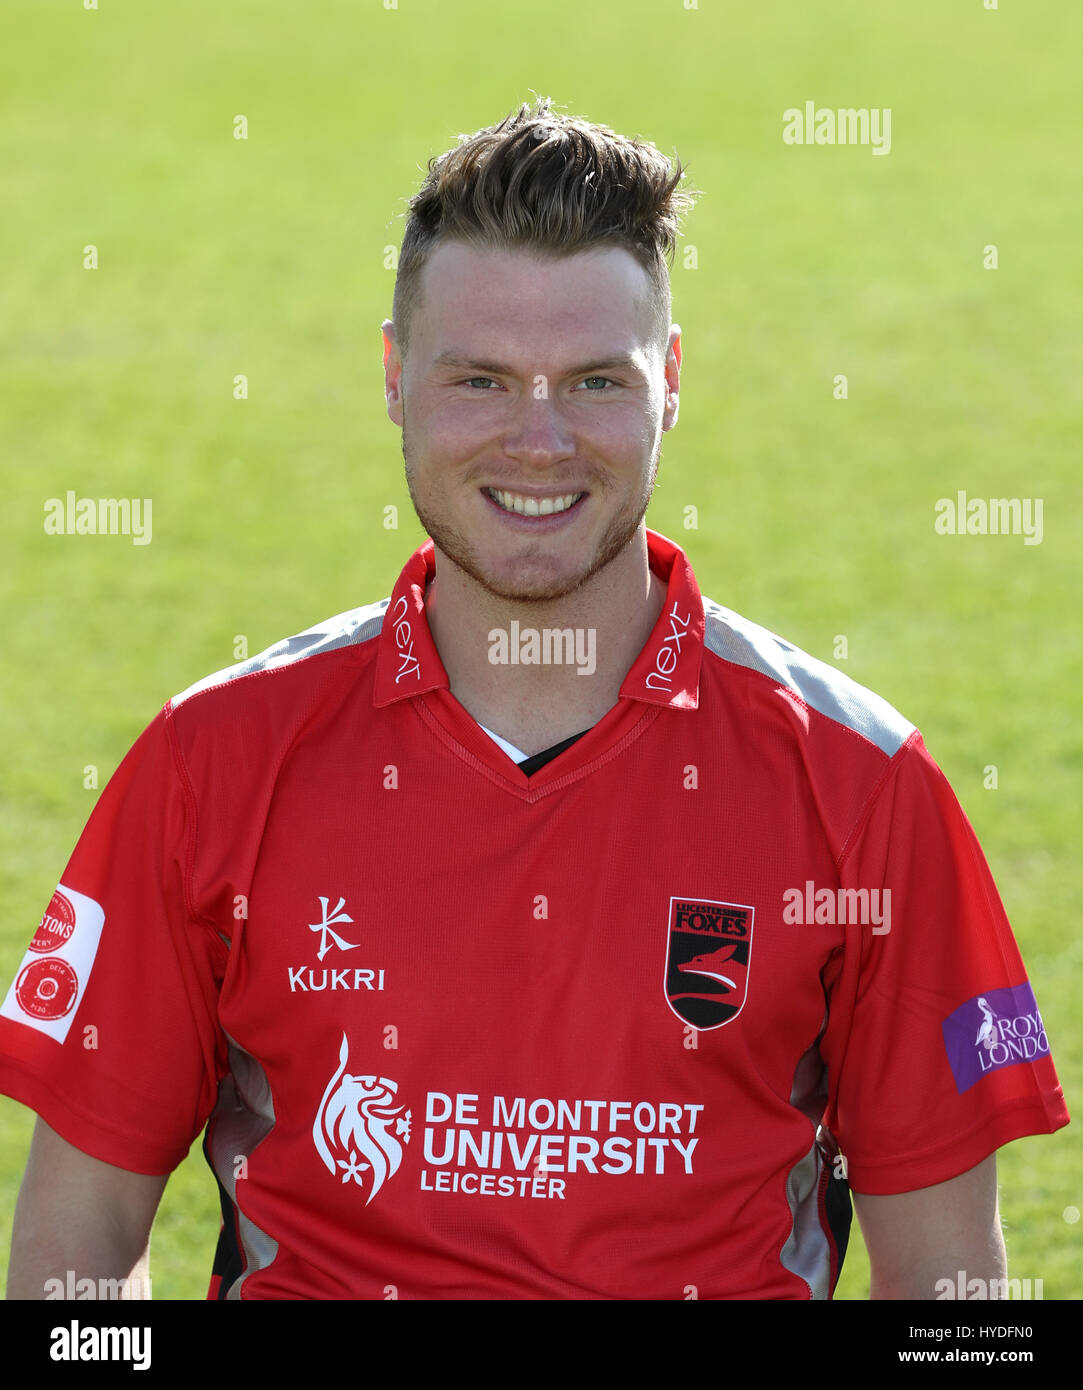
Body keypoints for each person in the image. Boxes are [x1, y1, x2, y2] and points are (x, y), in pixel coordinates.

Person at [0, 98, 1069, 1301]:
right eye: (483, 380)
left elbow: (953, 1295)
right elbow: (74, 1257)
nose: (542, 440)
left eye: (595, 381)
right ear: (396, 378)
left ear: (671, 382)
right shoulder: (212, 762)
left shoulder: (866, 788)